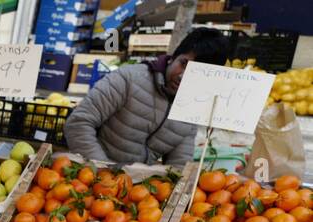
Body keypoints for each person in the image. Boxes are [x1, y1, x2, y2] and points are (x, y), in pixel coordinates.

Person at [64, 27, 233, 166]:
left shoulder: (190, 108)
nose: (183, 76)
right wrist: (102, 169)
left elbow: (179, 163)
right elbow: (79, 123)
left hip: (137, 192)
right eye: (183, 64)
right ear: (173, 57)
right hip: (92, 175)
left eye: (196, 73)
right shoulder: (128, 79)